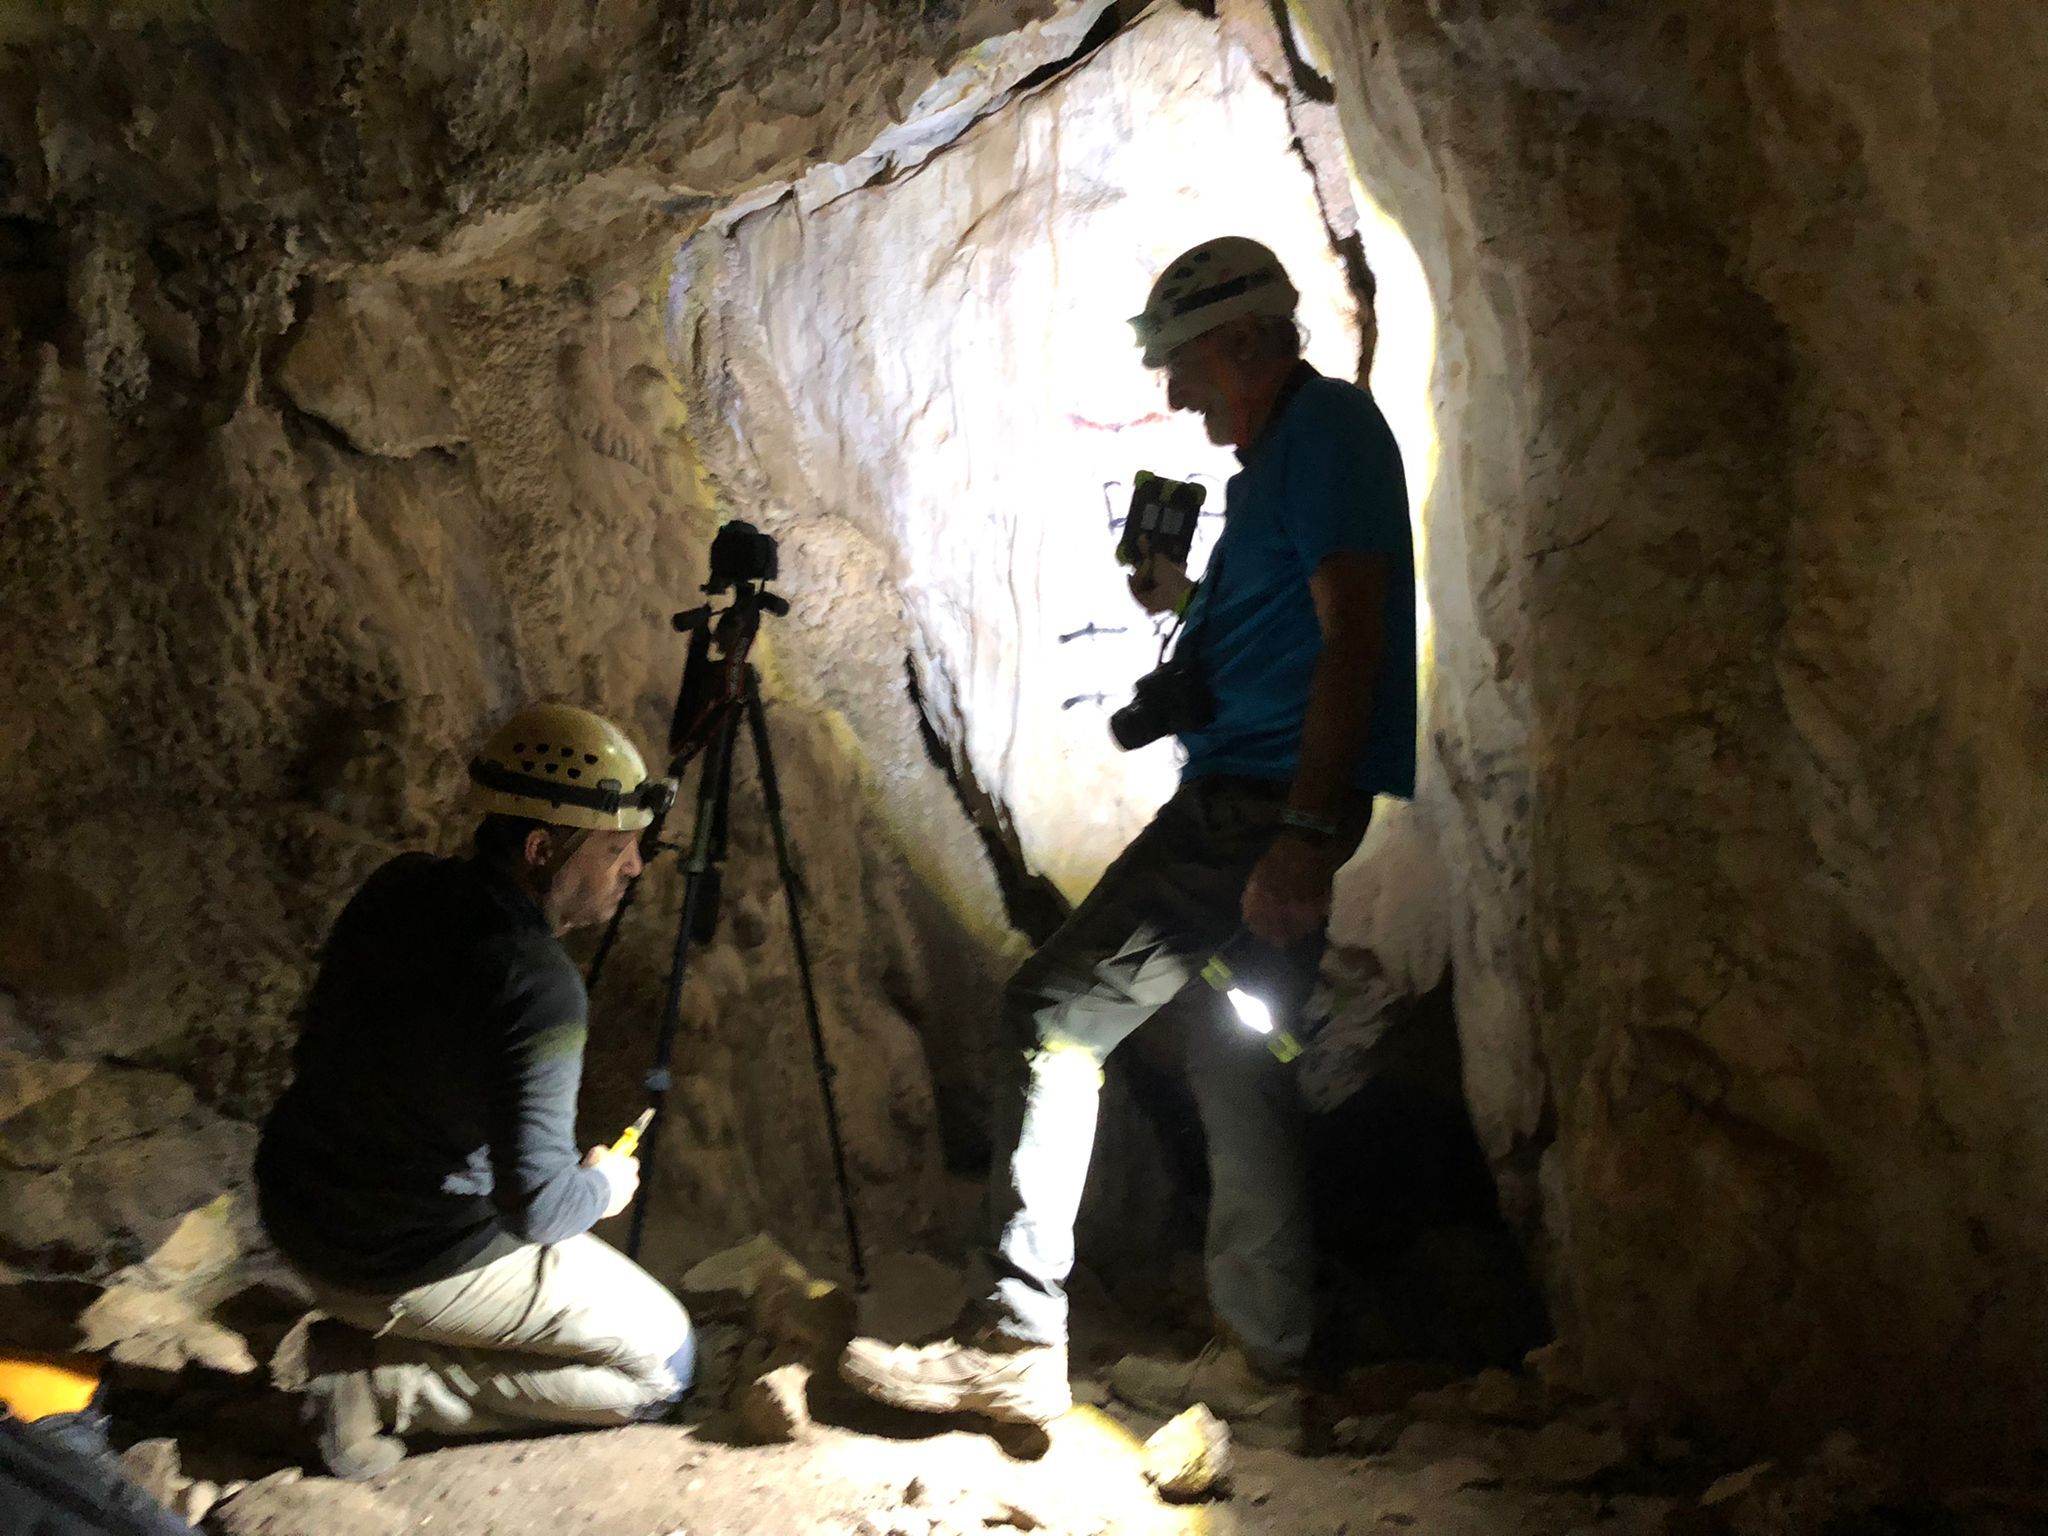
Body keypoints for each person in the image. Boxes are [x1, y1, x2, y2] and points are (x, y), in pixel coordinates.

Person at [839, 237, 1416, 1446]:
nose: (1176, 392)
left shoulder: (1326, 437)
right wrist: (1183, 611)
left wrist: (1303, 835)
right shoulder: (1273, 465)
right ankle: (1268, 1360)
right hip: (1257, 796)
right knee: (1230, 1054)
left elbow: (1351, 637)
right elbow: (1276, 634)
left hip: (1255, 811)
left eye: (1187, 363)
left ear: (1249, 338)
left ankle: (1007, 1342)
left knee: (1049, 1013)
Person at [255, 702, 693, 1480]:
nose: (634, 868)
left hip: (295, 1206)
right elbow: (541, 1208)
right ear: (539, 849)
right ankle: (382, 1387)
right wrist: (603, 1185)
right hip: (391, 1256)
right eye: (618, 848)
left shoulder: (401, 886)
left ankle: (377, 1338)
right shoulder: (538, 985)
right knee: (665, 1364)